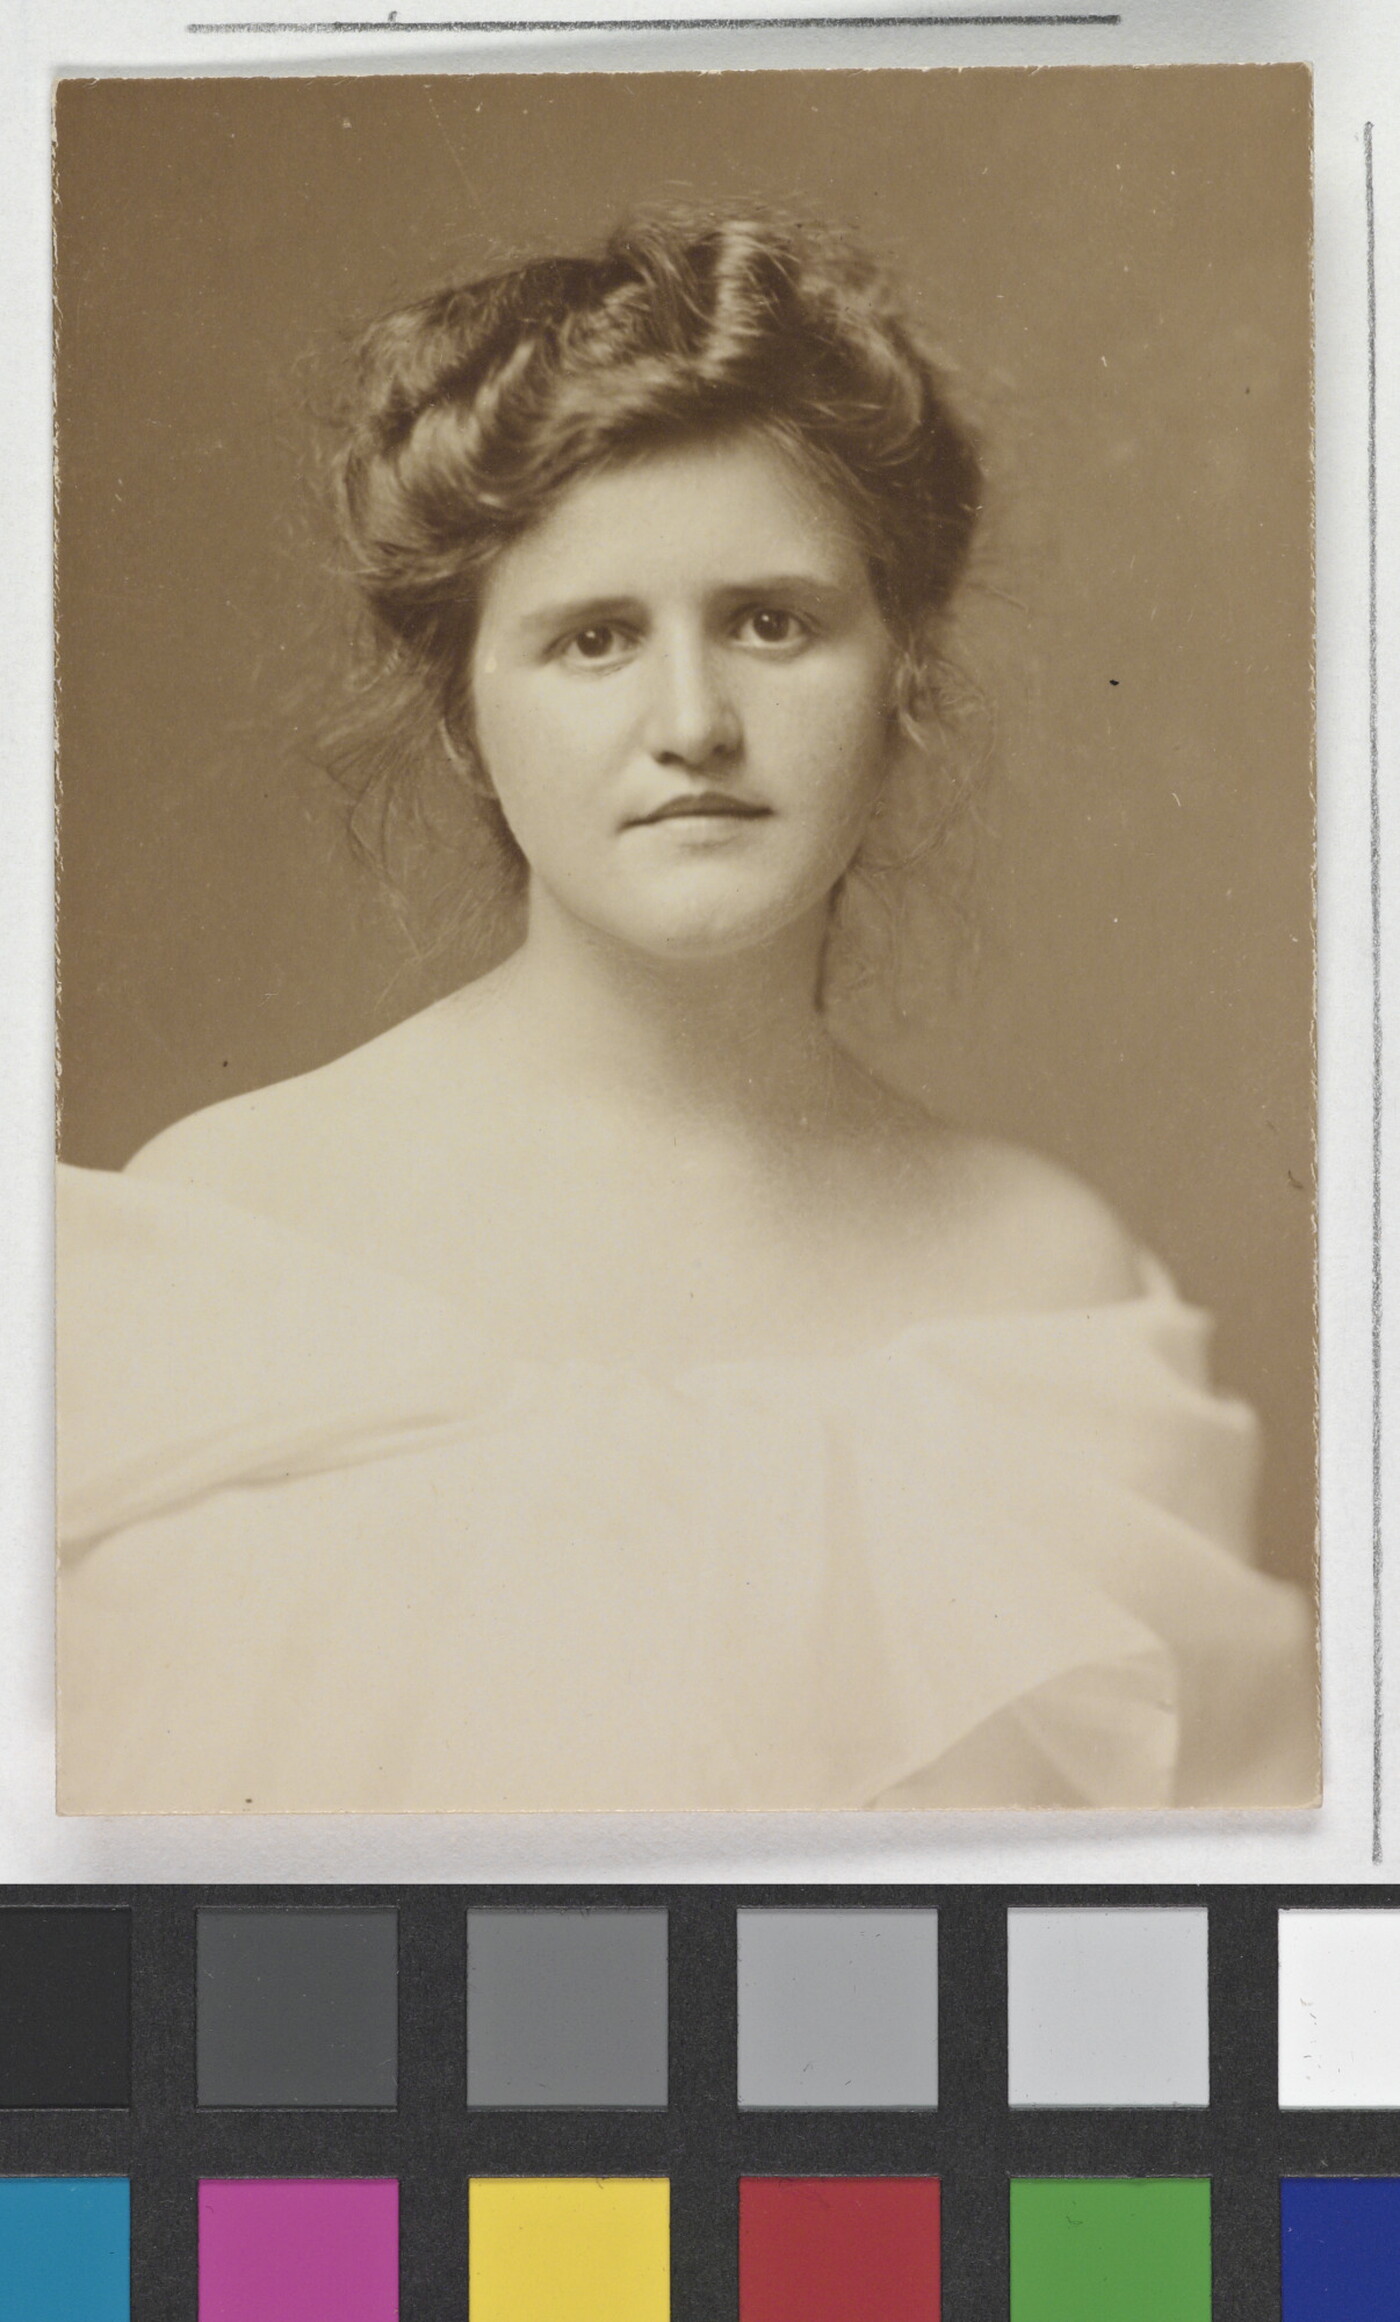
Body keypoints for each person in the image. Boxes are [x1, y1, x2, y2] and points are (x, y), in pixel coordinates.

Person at [56, 206, 1316, 1813]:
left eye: (771, 622)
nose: (694, 721)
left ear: (903, 670)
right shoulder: (232, 1231)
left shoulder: (1049, 1284)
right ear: (463, 713)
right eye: (593, 640)